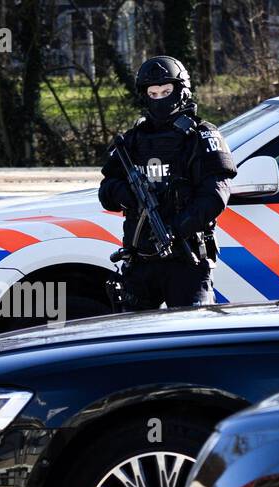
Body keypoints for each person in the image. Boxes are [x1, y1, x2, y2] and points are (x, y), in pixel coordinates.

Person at [99, 55, 237, 309]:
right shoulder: (132, 140)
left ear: (182, 91)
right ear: (144, 96)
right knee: (133, 340)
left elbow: (215, 196)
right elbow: (106, 191)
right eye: (153, 93)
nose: (160, 99)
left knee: (192, 338)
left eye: (166, 91)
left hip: (187, 259)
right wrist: (128, 194)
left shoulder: (201, 136)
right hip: (141, 261)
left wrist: (177, 227)